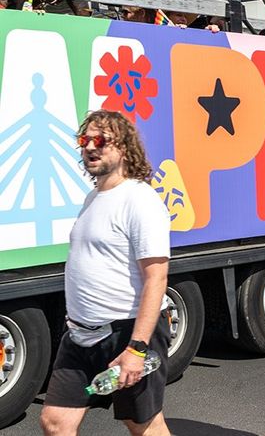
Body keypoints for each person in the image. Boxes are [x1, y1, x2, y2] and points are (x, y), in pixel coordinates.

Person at [40, 110, 172, 436]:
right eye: (84, 140)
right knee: (56, 423)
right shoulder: (93, 198)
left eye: (100, 140)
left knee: (143, 425)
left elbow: (157, 277)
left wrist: (137, 349)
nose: (89, 147)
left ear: (124, 148)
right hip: (81, 336)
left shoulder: (139, 199)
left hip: (126, 334)